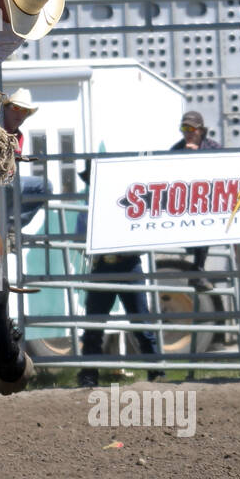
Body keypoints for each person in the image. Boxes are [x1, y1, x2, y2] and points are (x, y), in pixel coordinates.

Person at [75, 161, 163, 386]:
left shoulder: (126, 201)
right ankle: (89, 373)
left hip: (126, 264)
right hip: (106, 266)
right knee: (95, 324)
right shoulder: (89, 205)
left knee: (140, 321)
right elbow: (80, 237)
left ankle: (155, 370)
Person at [170, 110, 221, 291]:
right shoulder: (176, 150)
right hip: (184, 204)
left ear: (200, 130)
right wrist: (185, 156)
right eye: (184, 128)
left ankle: (197, 270)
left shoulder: (214, 148)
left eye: (191, 128)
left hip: (209, 202)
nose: (188, 132)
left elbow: (225, 171)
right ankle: (196, 270)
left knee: (203, 224)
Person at [1, 88, 50, 229]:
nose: (20, 114)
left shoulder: (19, 136)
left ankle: (13, 226)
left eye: (24, 111)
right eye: (16, 108)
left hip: (8, 179)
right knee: (11, 185)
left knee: (45, 186)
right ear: (5, 109)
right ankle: (1, 225)